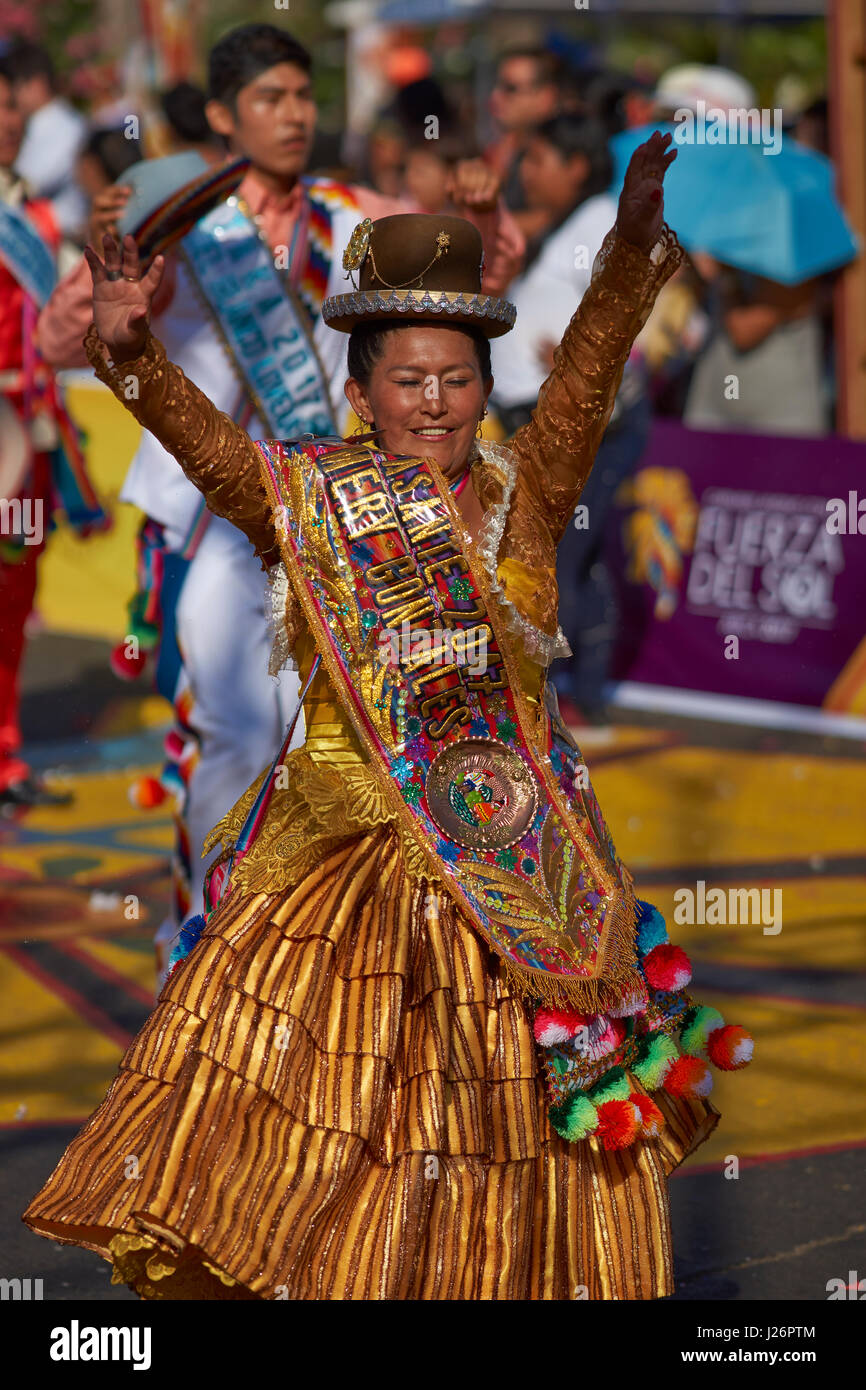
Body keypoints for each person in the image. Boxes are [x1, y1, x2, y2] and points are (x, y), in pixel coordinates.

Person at [24, 132, 753, 1300]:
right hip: (347, 873)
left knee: (507, 1135)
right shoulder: (316, 499)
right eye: (407, 381)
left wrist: (625, 253)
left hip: (514, 872)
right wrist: (135, 358)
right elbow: (214, 455)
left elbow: (583, 382)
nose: (434, 403)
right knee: (330, 1125)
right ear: (359, 394)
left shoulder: (521, 499)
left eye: (456, 379)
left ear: (482, 387)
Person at [37, 23, 522, 983]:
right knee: (230, 735)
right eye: (271, 98)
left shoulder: (352, 216)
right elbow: (60, 343)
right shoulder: (172, 216)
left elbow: (464, 289)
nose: (295, 114)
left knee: (335, 741)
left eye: (303, 95)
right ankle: (201, 957)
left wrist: (483, 217)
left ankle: (307, 964)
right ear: (222, 115)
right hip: (211, 524)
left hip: (333, 518)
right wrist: (113, 281)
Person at [489, 114, 651, 716]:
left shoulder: (601, 219)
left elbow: (638, 301)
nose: (525, 172)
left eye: (537, 160)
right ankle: (576, 692)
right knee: (568, 554)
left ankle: (568, 698)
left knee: (560, 557)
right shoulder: (562, 222)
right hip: (544, 417)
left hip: (590, 421)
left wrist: (590, 357)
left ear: (576, 166)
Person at [0, 63, 101, 810]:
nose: (9, 122)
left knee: (15, 589)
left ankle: (5, 752)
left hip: (27, 436)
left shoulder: (34, 214)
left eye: (14, 108)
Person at [2, 41, 87, 240]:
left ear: (38, 84)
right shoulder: (40, 124)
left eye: (11, 100)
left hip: (63, 237)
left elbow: (30, 180)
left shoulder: (63, 127)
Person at [486, 47, 563, 241]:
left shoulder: (567, 147)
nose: (495, 97)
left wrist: (472, 227)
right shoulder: (515, 149)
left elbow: (553, 218)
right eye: (497, 86)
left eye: (510, 88)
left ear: (545, 97)